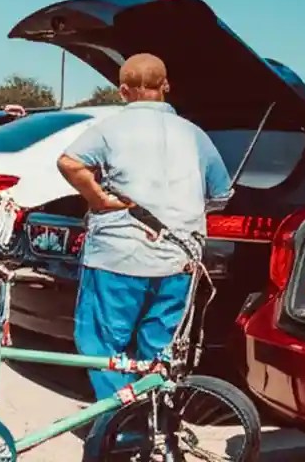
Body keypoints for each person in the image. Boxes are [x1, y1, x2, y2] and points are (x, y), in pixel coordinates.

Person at [56, 53, 232, 406]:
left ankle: (119, 424)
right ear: (165, 86)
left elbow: (69, 162)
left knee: (102, 347)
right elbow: (222, 194)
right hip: (177, 262)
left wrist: (99, 199)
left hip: (117, 259)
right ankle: (155, 423)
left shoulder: (109, 129)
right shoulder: (195, 135)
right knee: (159, 350)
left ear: (123, 90)